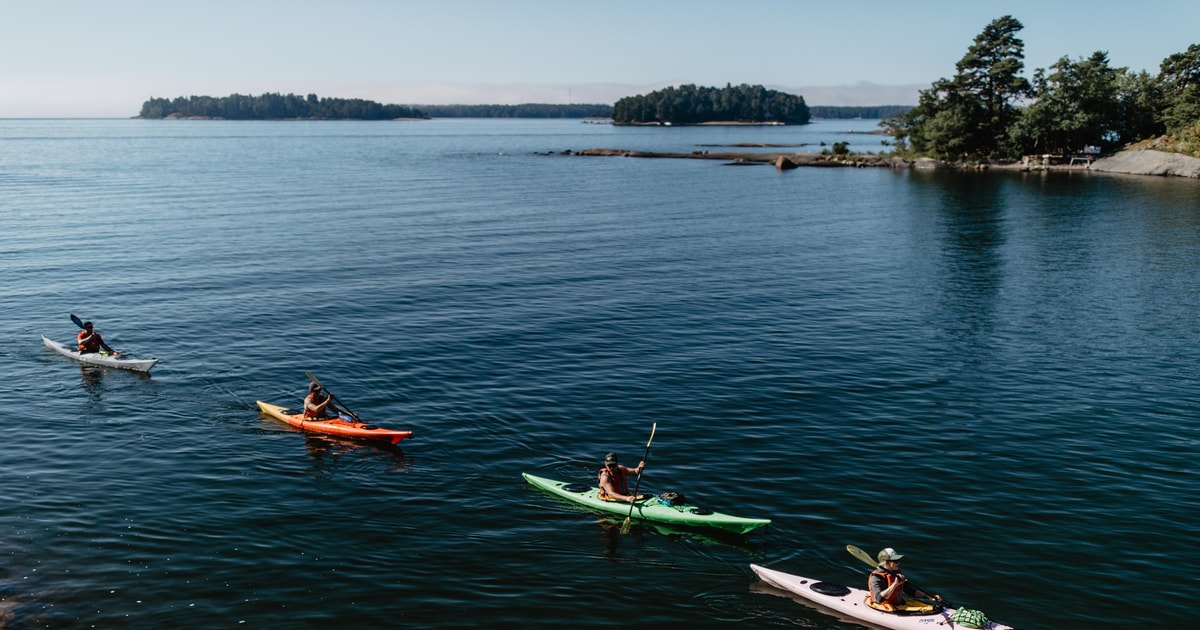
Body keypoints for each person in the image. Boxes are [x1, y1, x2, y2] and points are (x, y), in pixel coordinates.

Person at [869, 548, 943, 612]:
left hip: (897, 605)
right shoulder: (876, 577)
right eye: (895, 561)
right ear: (886, 562)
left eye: (898, 560)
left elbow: (909, 590)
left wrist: (928, 596)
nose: (898, 563)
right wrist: (895, 584)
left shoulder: (896, 573)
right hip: (883, 607)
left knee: (932, 608)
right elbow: (878, 599)